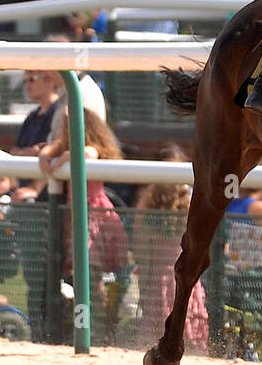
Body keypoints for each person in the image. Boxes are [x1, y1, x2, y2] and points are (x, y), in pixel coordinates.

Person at [39, 108, 130, 343]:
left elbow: (86, 154)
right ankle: (90, 329)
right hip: (75, 215)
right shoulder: (65, 147)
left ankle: (98, 332)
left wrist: (60, 159)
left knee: (91, 275)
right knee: (82, 277)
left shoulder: (88, 149)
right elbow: (50, 152)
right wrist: (47, 154)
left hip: (93, 216)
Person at [134, 143, 208, 351]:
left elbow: (142, 252)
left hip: (158, 281)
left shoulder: (145, 207)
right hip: (187, 277)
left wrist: (145, 282)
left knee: (156, 335)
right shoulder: (193, 206)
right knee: (191, 336)